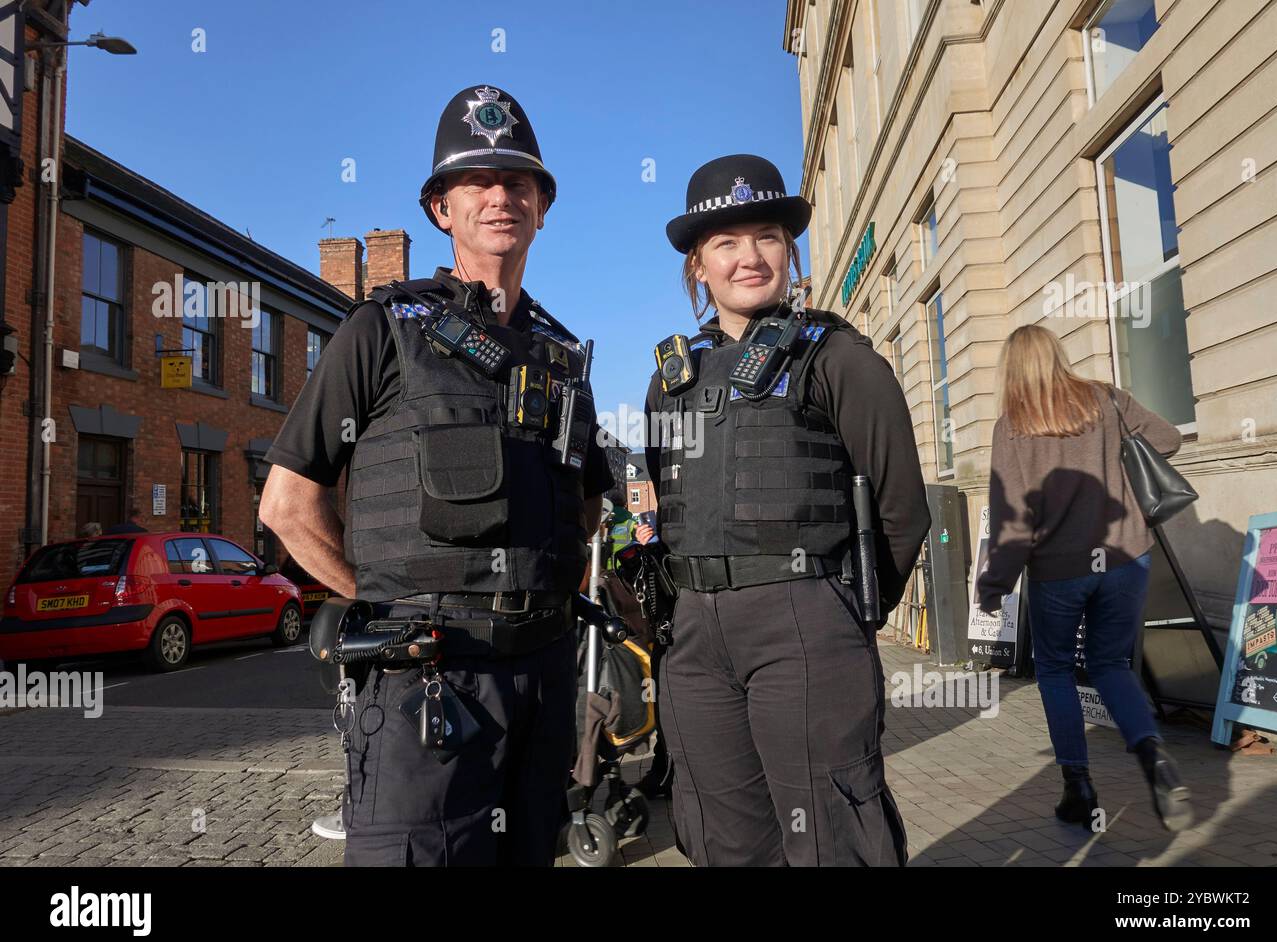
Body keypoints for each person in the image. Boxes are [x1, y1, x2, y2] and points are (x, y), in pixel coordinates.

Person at [259, 84, 613, 866]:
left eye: (518, 182)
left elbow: (584, 507)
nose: (499, 197)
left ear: (542, 208)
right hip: (428, 681)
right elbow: (287, 504)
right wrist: (382, 601)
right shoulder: (380, 331)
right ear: (440, 209)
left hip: (541, 682)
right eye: (476, 183)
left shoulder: (560, 359)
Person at [642, 154, 931, 866]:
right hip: (694, 639)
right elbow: (665, 501)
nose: (749, 258)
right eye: (725, 244)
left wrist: (843, 609)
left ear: (789, 251)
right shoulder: (668, 382)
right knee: (723, 836)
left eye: (767, 236)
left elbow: (903, 509)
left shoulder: (837, 357)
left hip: (805, 620)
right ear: (698, 268)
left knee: (830, 837)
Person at [976, 324, 1191, 832]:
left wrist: (994, 585)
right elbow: (1169, 438)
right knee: (1111, 664)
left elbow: (1012, 520)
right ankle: (1152, 750)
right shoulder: (1104, 399)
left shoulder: (1012, 427)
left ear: (1012, 369)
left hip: (1060, 569)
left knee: (1054, 670)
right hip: (1126, 557)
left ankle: (1079, 787)